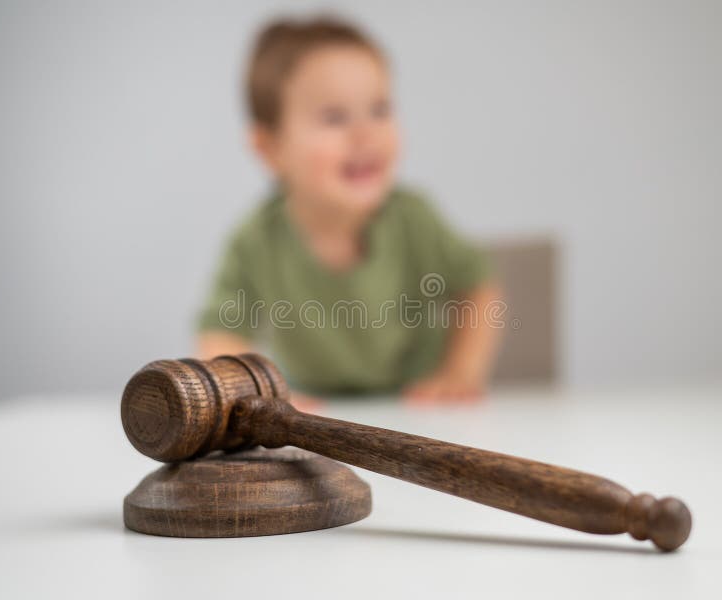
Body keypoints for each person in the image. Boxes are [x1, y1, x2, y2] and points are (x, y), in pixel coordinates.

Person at [197, 16, 503, 406]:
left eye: (379, 109)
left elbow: (478, 284)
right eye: (335, 117)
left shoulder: (414, 219)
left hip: (415, 409)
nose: (365, 133)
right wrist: (252, 393)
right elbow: (219, 332)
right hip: (318, 414)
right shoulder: (257, 240)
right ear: (269, 148)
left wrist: (459, 371)